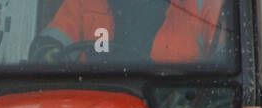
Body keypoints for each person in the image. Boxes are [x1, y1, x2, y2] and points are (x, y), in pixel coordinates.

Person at [32, 0, 225, 64]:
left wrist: (188, 91)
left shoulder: (201, 6)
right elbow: (53, 40)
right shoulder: (87, 2)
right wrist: (48, 52)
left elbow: (225, 56)